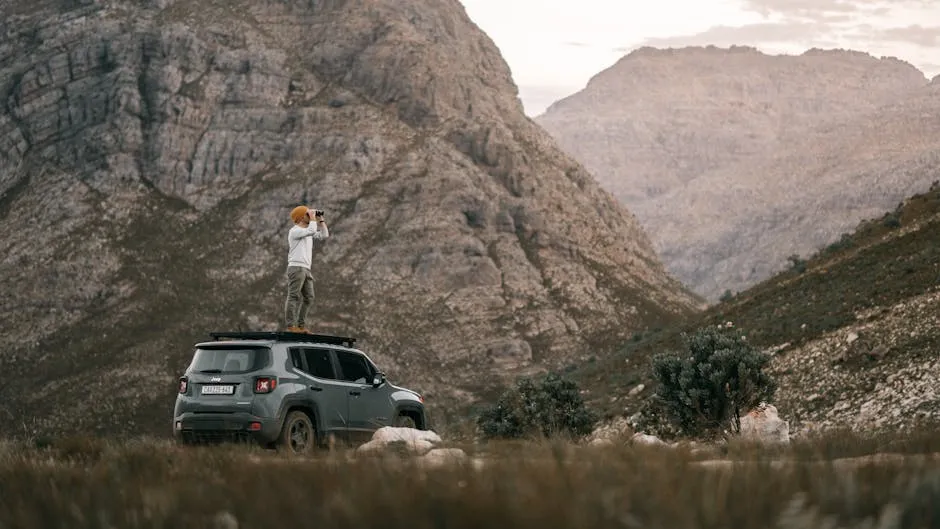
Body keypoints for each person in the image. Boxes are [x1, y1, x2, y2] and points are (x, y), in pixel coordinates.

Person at [285, 205, 329, 333]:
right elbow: (310, 231)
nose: (310, 216)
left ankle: (301, 326)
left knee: (309, 297)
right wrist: (313, 218)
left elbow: (324, 235)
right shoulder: (295, 231)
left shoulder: (308, 232)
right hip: (296, 267)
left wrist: (320, 220)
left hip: (306, 268)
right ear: (300, 217)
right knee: (293, 296)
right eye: (306, 214)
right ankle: (291, 326)